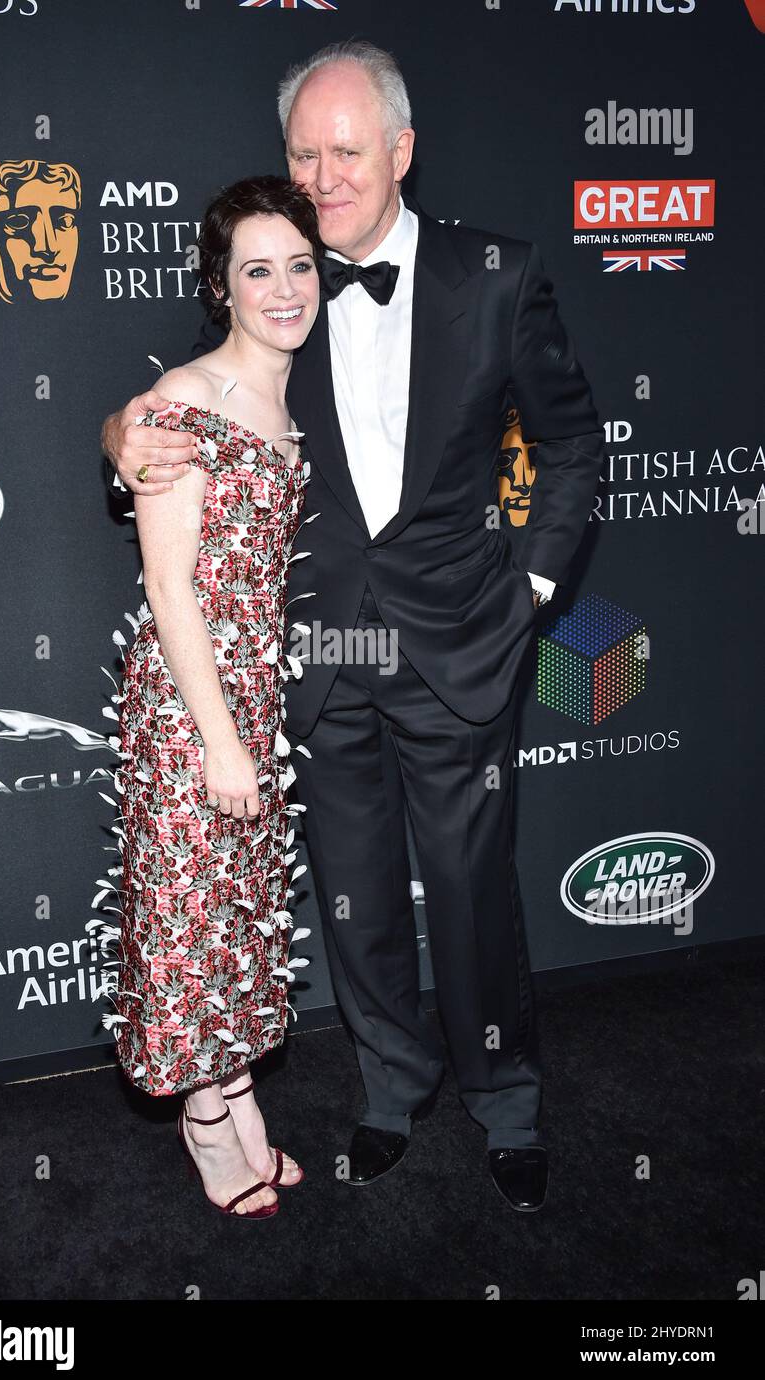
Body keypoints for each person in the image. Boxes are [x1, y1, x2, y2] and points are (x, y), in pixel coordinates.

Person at [101, 41, 605, 1214]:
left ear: (401, 153)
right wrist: (118, 438)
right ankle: (390, 1089)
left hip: (458, 644)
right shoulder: (282, 291)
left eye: (345, 150)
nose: (322, 175)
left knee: (473, 888)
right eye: (301, 153)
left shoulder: (495, 275)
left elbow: (573, 442)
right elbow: (179, 401)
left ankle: (506, 1100)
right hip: (321, 655)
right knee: (355, 892)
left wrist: (530, 591)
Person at [100, 175, 323, 1219]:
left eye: (298, 265)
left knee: (235, 912)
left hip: (253, 697)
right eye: (256, 270)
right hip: (192, 702)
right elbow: (168, 583)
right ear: (220, 286)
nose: (283, 288)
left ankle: (236, 1102)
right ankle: (205, 1126)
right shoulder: (183, 402)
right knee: (190, 913)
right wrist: (222, 743)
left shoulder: (279, 397)